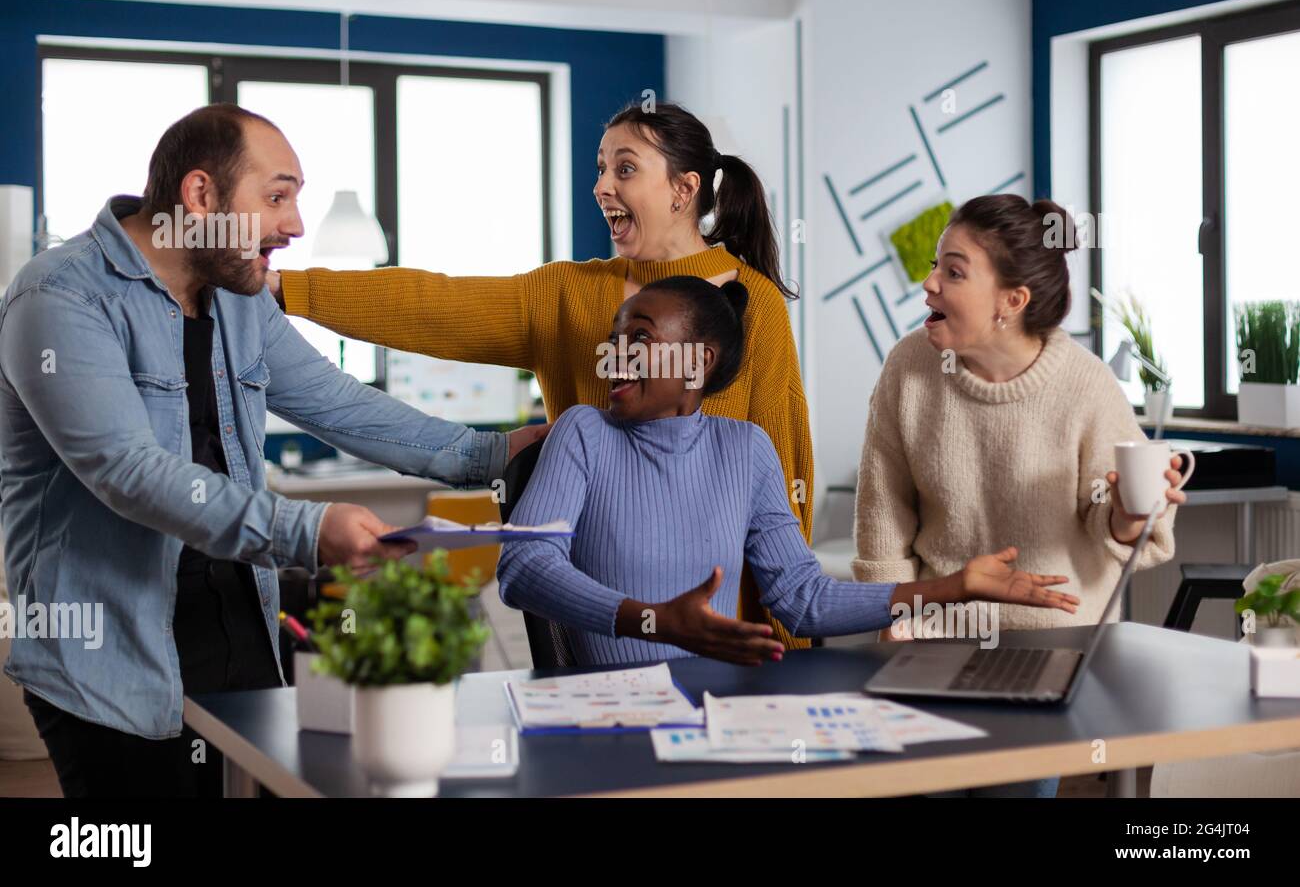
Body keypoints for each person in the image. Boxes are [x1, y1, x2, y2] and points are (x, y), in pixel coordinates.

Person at [0, 103, 547, 797]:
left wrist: (492, 455)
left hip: (242, 637)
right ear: (200, 195)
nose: (293, 225)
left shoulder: (236, 297)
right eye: (277, 196)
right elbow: (127, 473)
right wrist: (310, 529)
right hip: (112, 664)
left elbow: (335, 400)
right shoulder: (59, 296)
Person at [265, 102, 815, 650]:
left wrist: (789, 653)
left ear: (683, 188)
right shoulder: (564, 295)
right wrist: (284, 287)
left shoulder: (754, 304)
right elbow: (434, 303)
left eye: (625, 169)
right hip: (597, 625)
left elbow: (786, 485)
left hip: (720, 639)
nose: (602, 186)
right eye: (600, 169)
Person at [494, 276, 1079, 666]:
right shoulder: (582, 432)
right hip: (610, 726)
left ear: (699, 362)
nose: (614, 353)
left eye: (639, 339)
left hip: (714, 716)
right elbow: (523, 565)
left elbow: (802, 599)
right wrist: (652, 621)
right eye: (614, 339)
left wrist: (951, 588)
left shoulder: (746, 450)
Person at [851, 194, 1186, 796]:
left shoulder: (1085, 385)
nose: (928, 284)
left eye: (953, 272)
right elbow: (883, 513)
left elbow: (1112, 523)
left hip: (1049, 651)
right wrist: (891, 619)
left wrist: (1132, 513)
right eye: (935, 265)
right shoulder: (910, 367)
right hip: (933, 641)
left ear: (1012, 301)